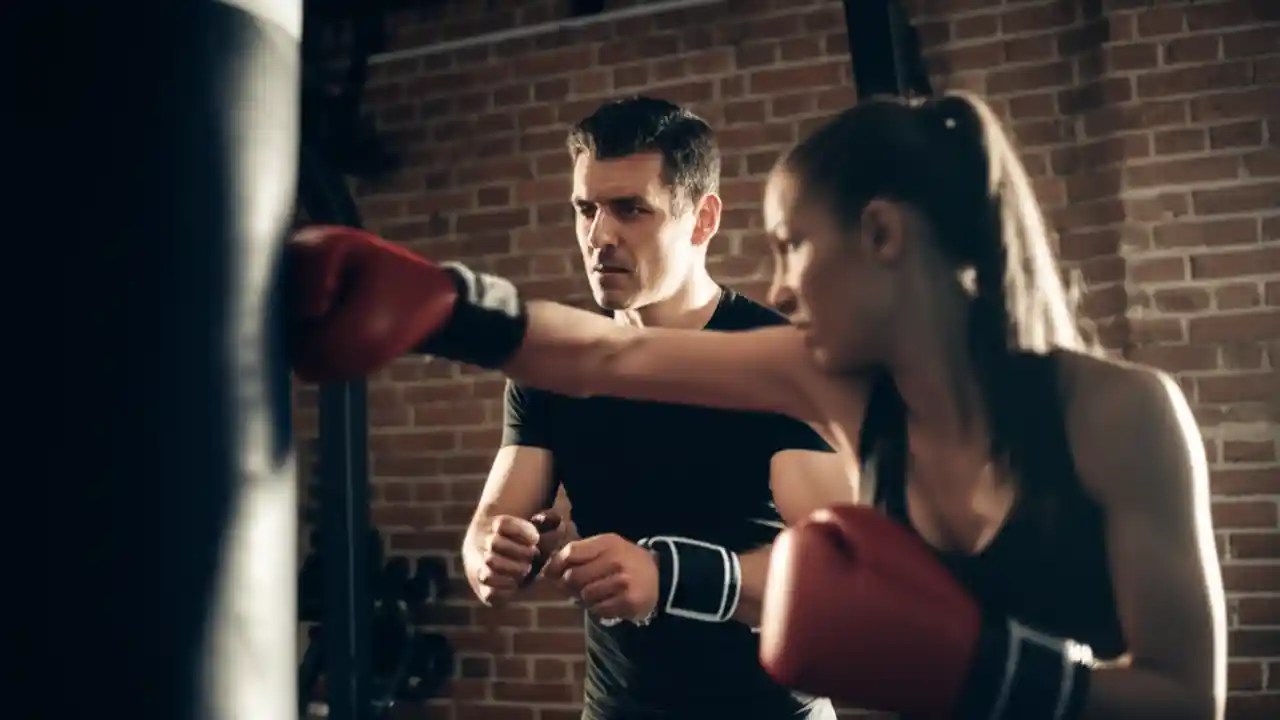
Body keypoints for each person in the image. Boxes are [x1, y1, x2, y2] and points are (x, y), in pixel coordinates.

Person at [289, 91, 1227, 720]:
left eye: (794, 248)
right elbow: (608, 351)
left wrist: (986, 668)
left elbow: (1189, 697)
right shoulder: (827, 380)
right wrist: (451, 306)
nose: (777, 288)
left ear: (883, 236)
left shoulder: (1121, 413)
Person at [457, 96, 849, 720]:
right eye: (585, 209)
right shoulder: (557, 364)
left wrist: (670, 575)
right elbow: (488, 532)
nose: (599, 236)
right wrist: (498, 552)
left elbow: (838, 581)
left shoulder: (780, 363)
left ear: (703, 219)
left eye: (631, 210)